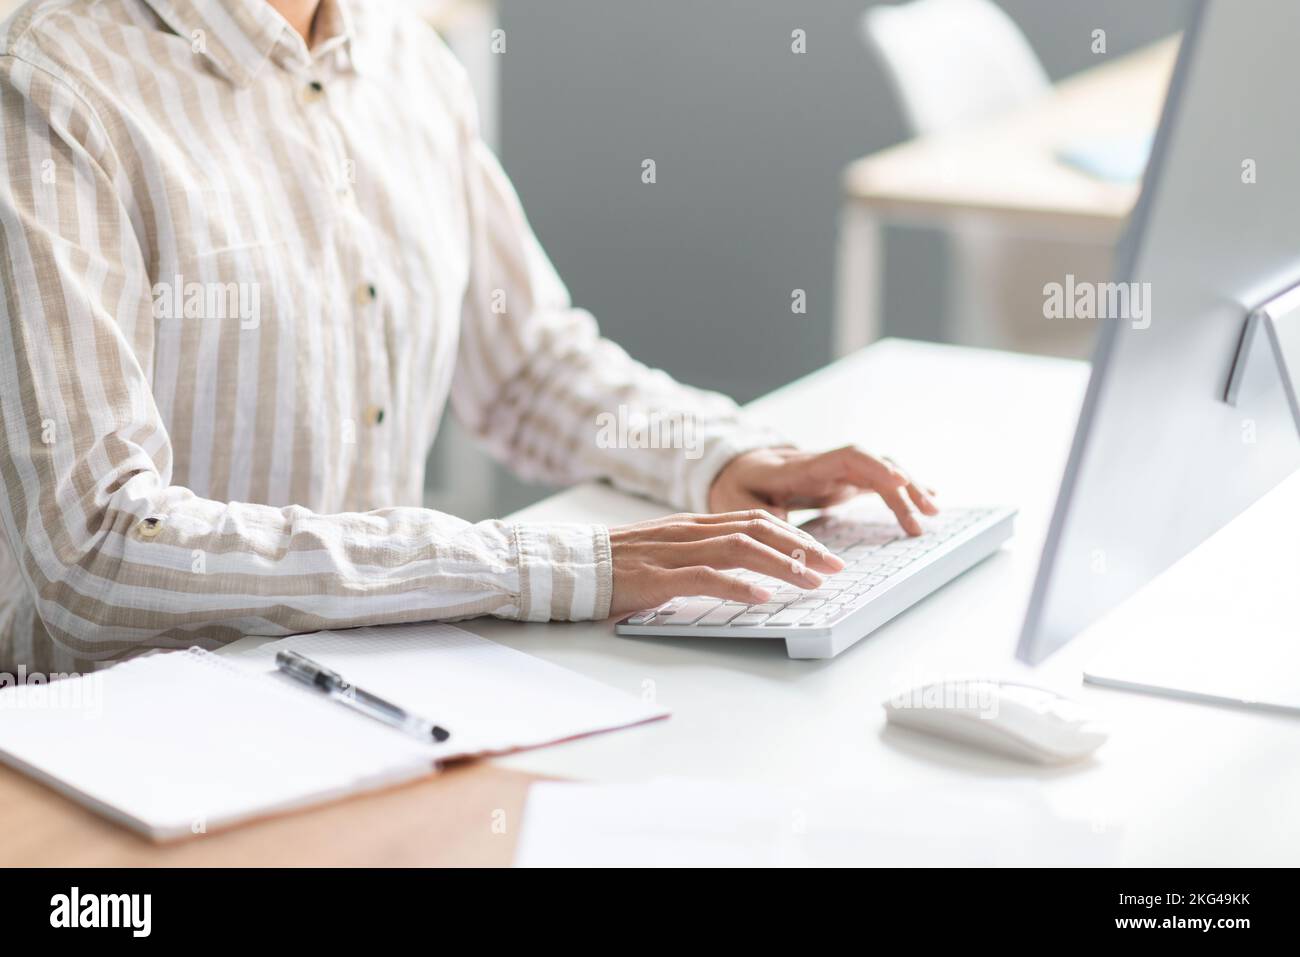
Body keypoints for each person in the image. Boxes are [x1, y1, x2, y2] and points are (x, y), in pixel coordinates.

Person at [0, 0, 936, 674]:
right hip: (117, 742)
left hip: (363, 690)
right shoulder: (49, 80)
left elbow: (523, 365)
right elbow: (94, 553)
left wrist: (720, 454)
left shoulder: (409, 57)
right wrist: (553, 568)